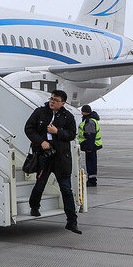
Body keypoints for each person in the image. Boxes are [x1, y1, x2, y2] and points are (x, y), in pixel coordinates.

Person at [24, 89, 81, 233]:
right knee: (40, 184)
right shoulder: (40, 112)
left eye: (56, 100)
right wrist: (41, 142)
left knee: (66, 190)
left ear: (62, 103)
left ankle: (72, 221)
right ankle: (34, 206)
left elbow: (71, 135)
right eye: (52, 99)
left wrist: (58, 132)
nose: (52, 102)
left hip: (62, 158)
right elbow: (29, 128)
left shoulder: (68, 117)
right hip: (45, 155)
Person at [77, 104, 102, 187]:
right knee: (91, 162)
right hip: (92, 145)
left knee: (91, 163)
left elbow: (90, 136)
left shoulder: (89, 121)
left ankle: (92, 180)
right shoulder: (90, 120)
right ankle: (92, 179)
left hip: (91, 146)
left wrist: (89, 147)